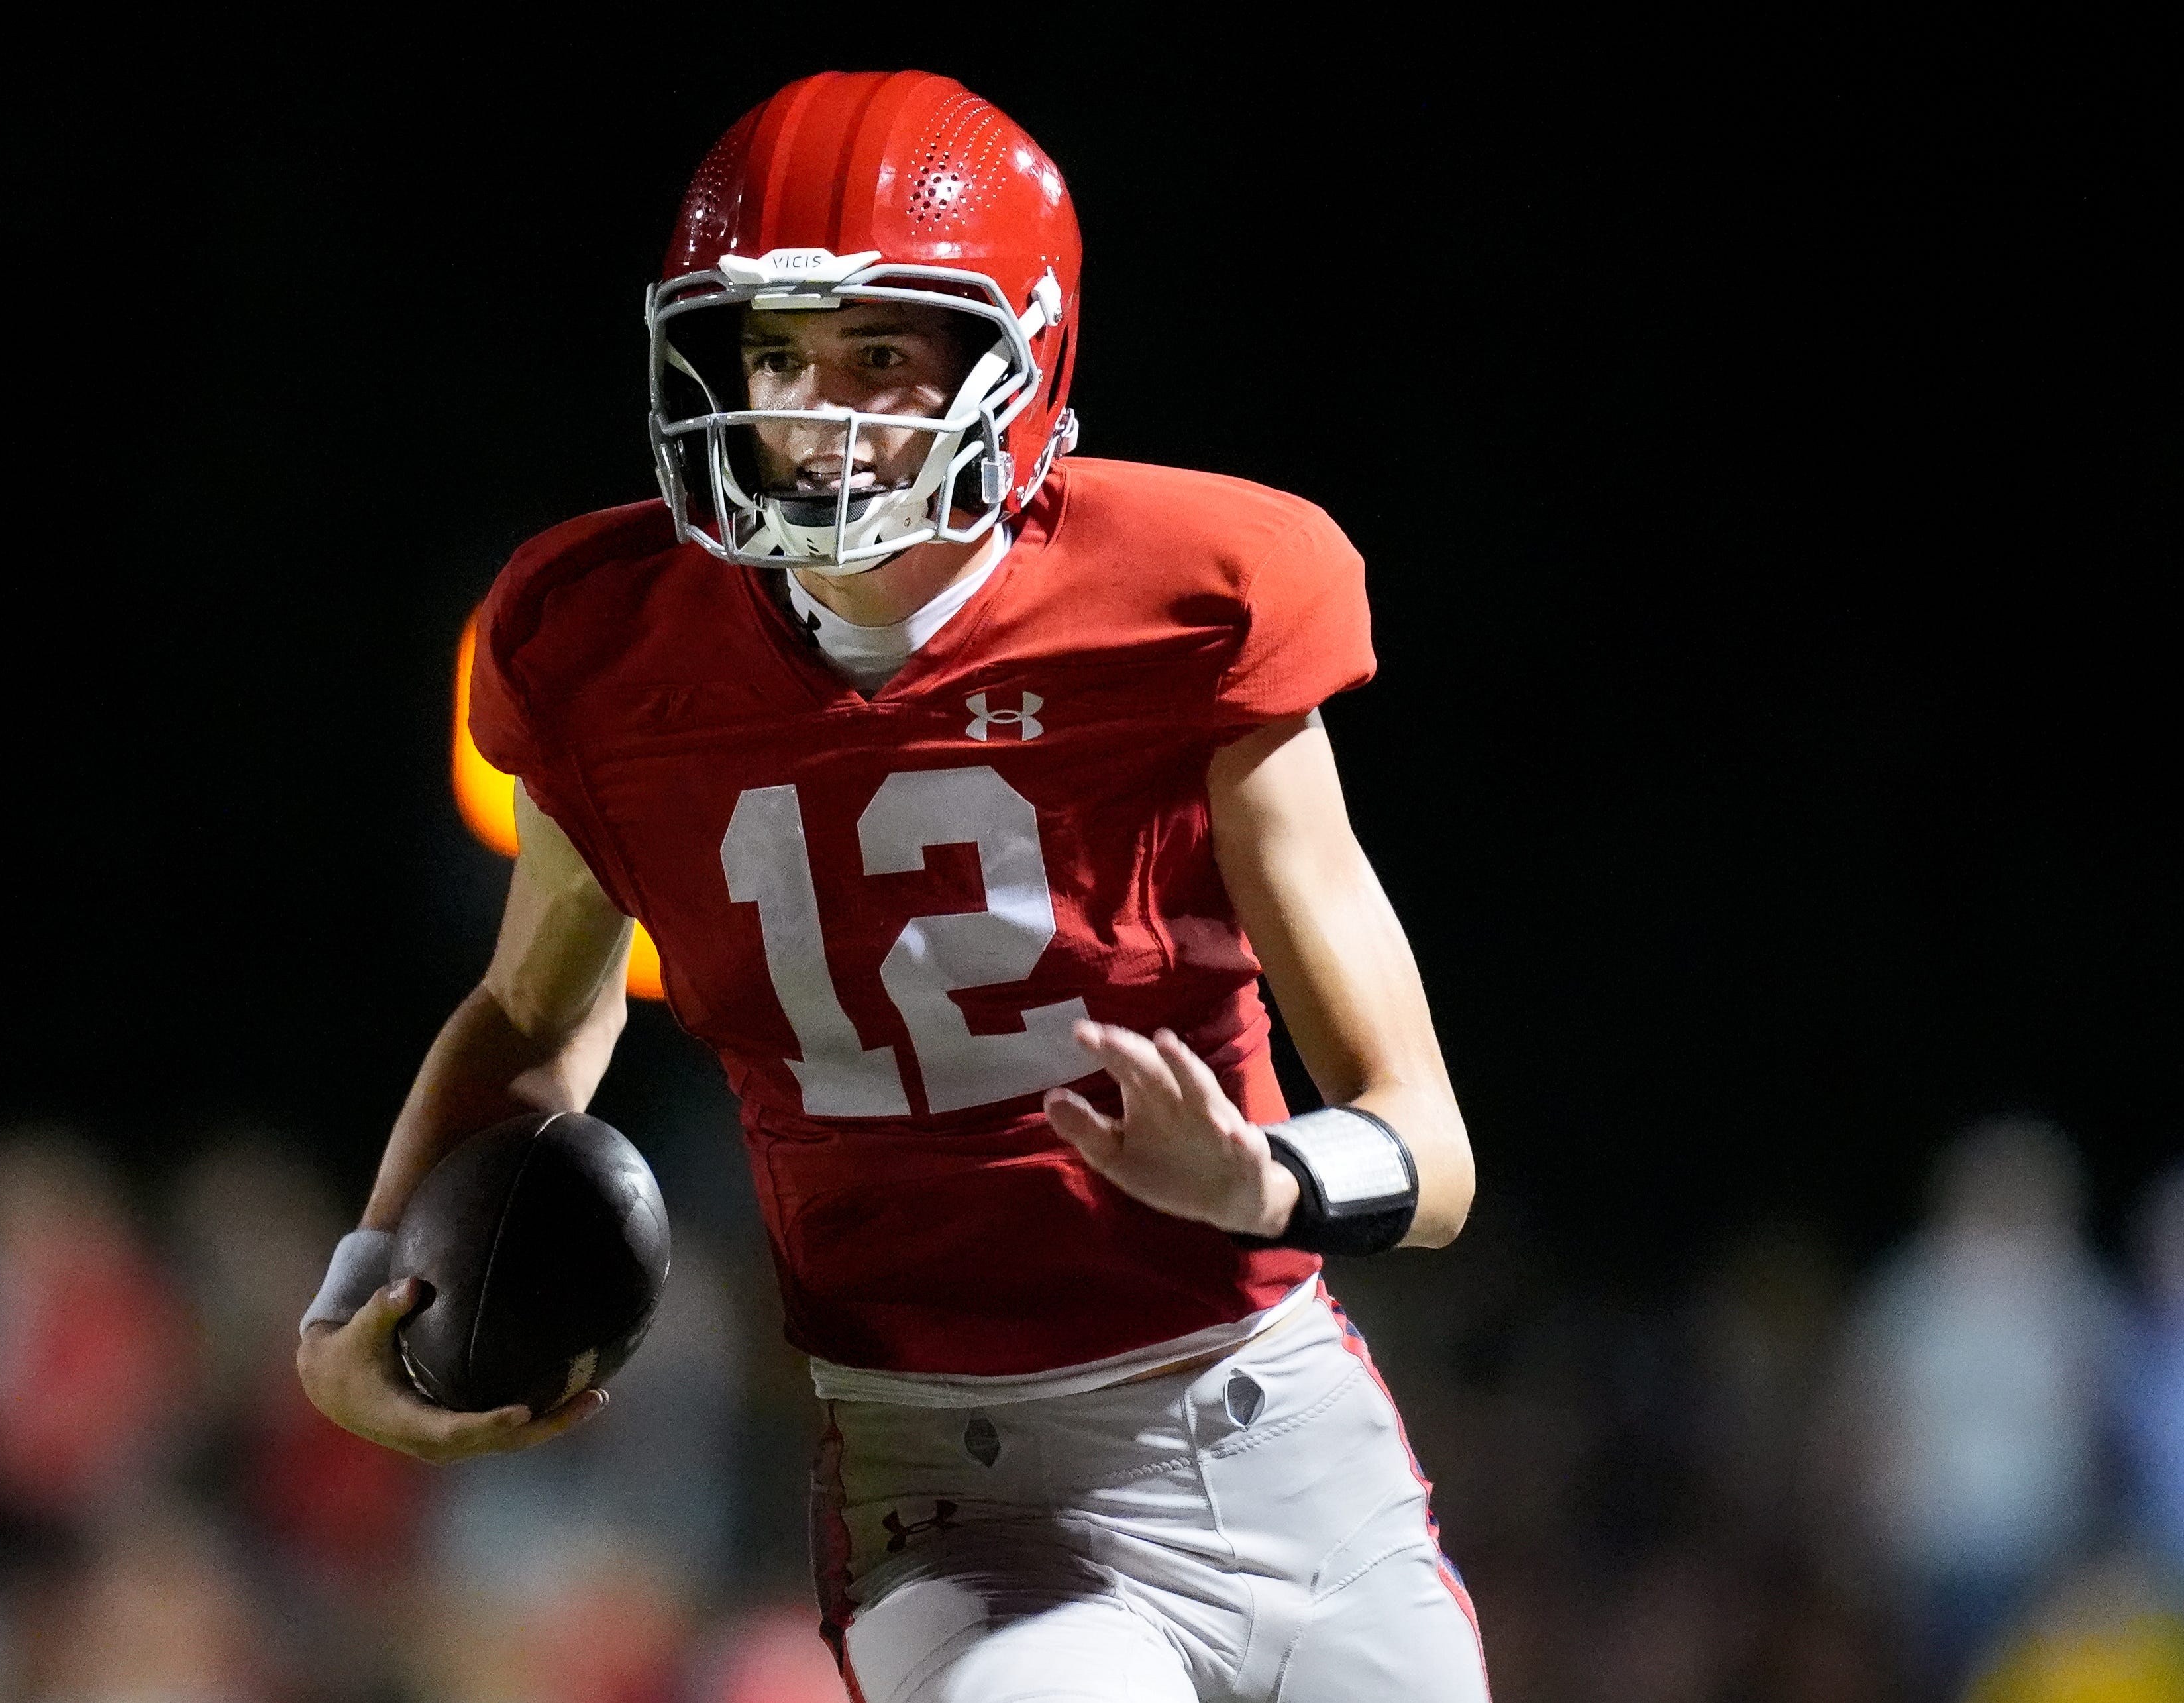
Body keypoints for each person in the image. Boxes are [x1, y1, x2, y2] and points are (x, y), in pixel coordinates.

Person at [298, 70, 1487, 1702]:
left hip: (1270, 1417)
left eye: (880, 355)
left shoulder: (1192, 604)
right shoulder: (608, 649)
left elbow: (1430, 1149)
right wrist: (367, 1286)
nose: (816, 409)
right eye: (779, 356)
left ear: (1016, 366)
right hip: (957, 1483)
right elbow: (529, 1014)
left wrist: (1260, 1182)